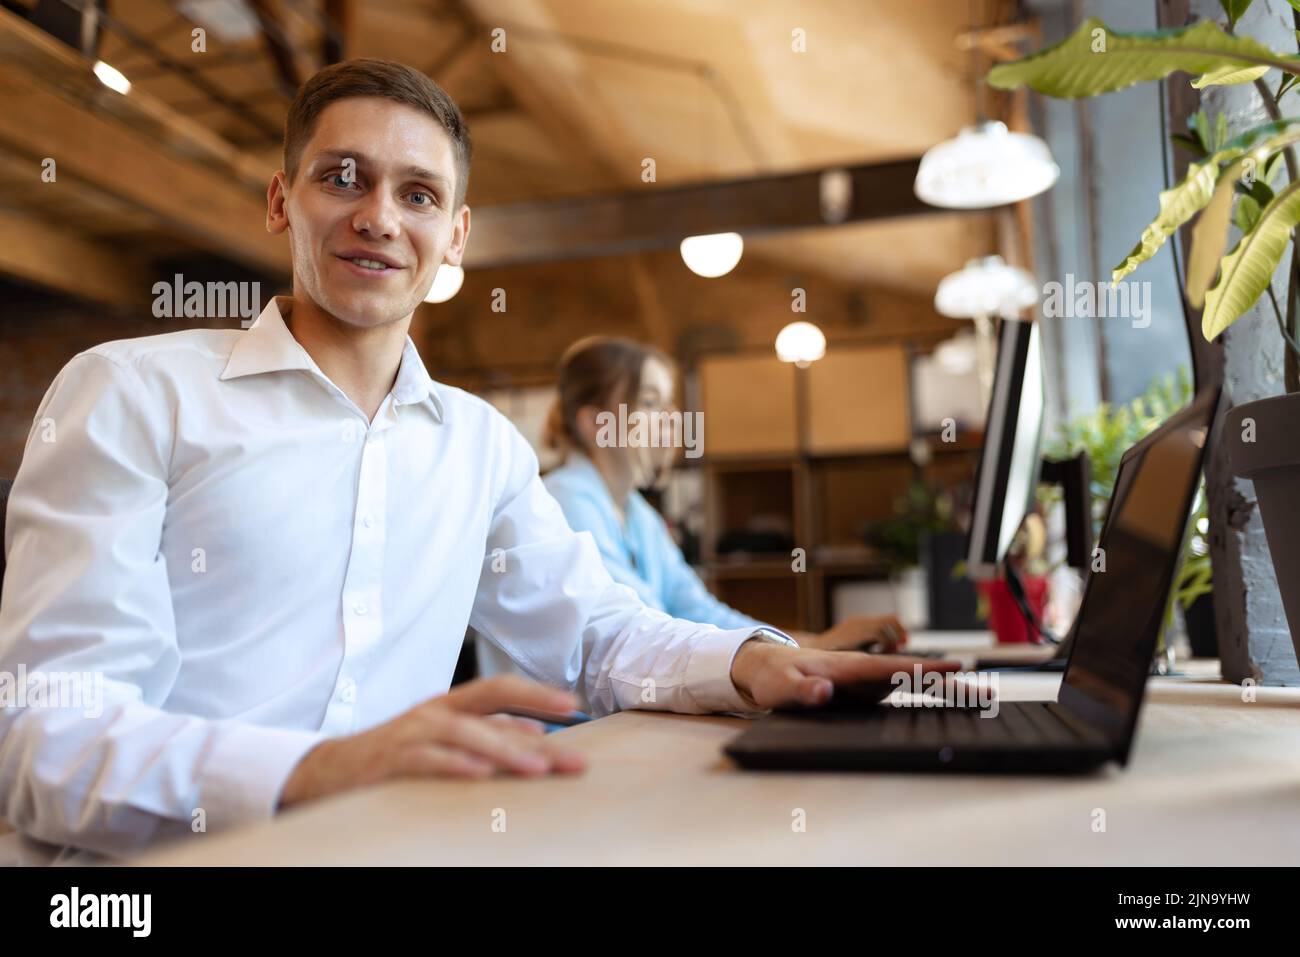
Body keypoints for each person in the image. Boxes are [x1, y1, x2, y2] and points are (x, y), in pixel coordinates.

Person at [0, 59, 956, 862]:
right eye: (343, 177)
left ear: (453, 237)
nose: (380, 216)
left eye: (418, 193)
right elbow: (45, 733)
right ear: (280, 200)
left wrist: (758, 664)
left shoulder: (479, 444)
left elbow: (596, 638)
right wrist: (321, 770)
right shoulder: (130, 391)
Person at [478, 336, 907, 689]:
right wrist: (806, 650)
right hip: (559, 735)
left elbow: (698, 610)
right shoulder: (567, 501)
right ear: (596, 423)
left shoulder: (636, 514)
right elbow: (641, 635)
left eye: (670, 403)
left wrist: (805, 646)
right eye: (650, 403)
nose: (671, 419)